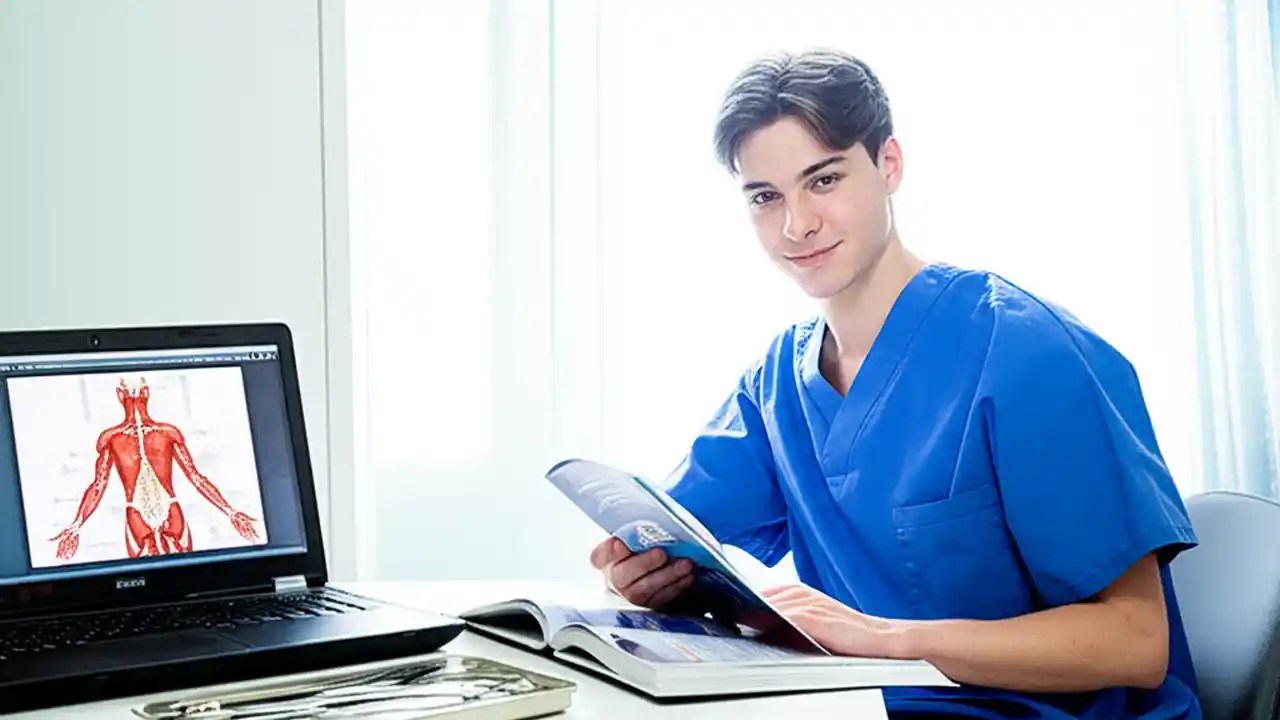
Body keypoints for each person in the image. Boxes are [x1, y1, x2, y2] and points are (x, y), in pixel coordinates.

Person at [588, 48, 1201, 719]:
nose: (797, 225)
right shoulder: (778, 387)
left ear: (889, 166)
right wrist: (645, 574)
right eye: (766, 197)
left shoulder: (1028, 353)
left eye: (822, 181)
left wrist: (883, 640)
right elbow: (678, 532)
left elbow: (1136, 643)